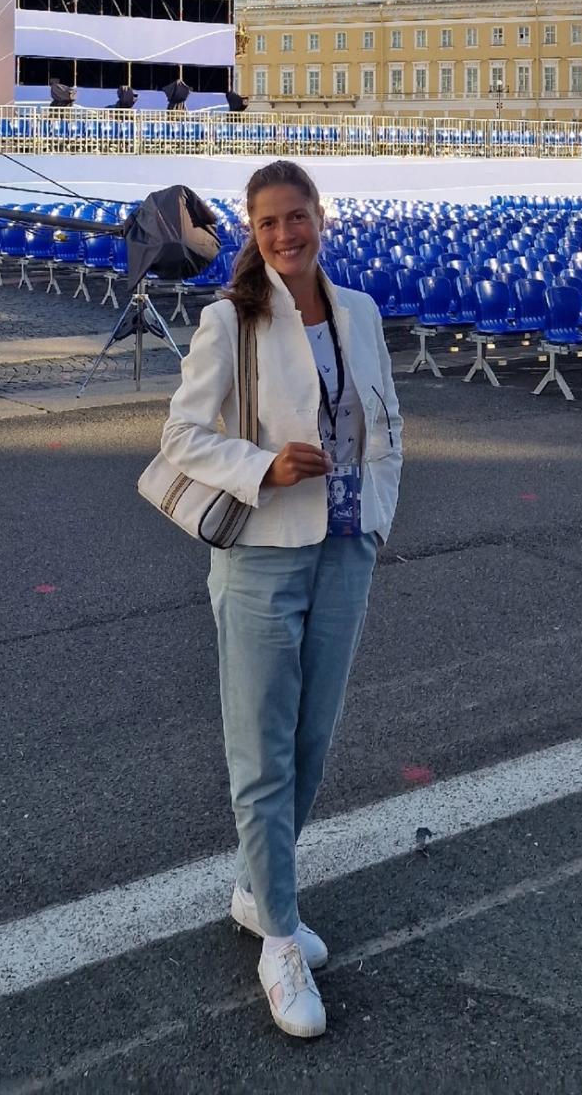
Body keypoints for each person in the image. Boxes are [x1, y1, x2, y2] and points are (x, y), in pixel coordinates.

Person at [160, 158, 403, 1040]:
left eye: (297, 218)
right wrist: (262, 467)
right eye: (268, 224)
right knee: (261, 750)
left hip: (344, 545)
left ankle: (259, 891)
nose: (286, 235)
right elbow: (181, 435)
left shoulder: (361, 312)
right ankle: (278, 941)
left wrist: (378, 519)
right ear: (253, 234)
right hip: (263, 550)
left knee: (312, 739)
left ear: (319, 220)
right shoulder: (230, 320)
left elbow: (386, 419)